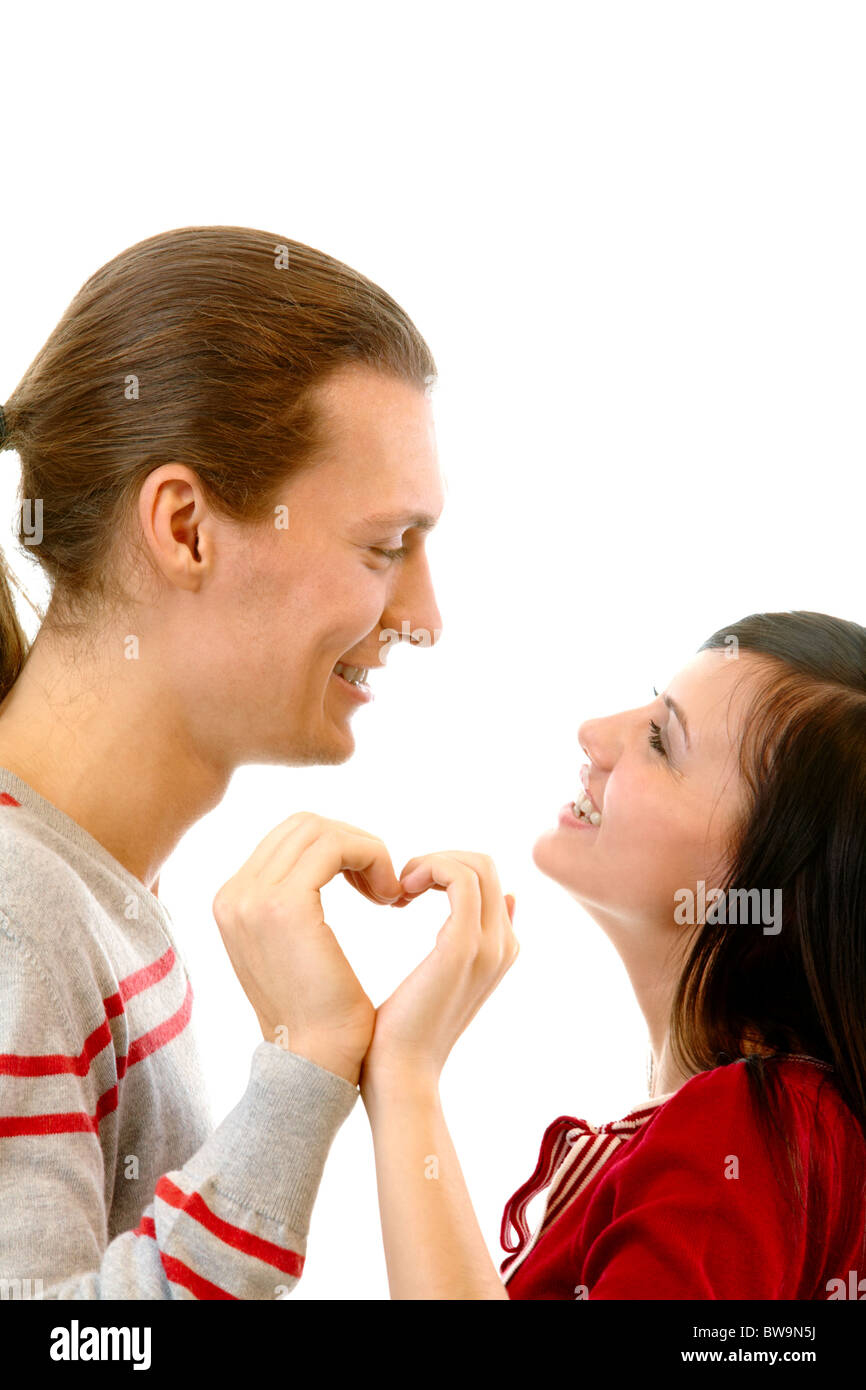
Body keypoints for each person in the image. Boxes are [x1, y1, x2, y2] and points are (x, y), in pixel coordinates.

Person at [0, 225, 444, 1299]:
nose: (425, 616)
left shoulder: (88, 894)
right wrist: (305, 1065)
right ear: (186, 526)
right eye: (387, 548)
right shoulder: (19, 909)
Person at [353, 611, 866, 1299]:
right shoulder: (783, 1139)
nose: (594, 735)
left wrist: (404, 1075)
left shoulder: (746, 1134)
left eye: (660, 740)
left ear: (770, 890)